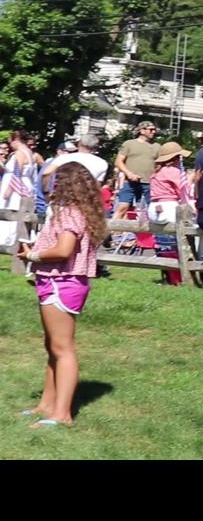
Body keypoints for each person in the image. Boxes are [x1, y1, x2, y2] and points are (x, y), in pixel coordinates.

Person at [16, 165, 106, 428]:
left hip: (61, 282)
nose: (49, 189)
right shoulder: (77, 211)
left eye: (53, 183)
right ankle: (47, 404)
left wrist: (33, 255)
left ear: (65, 185)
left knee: (62, 349)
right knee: (52, 346)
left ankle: (62, 414)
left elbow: (64, 249)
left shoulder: (68, 213)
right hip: (59, 281)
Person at [147, 141, 188, 269]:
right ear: (175, 158)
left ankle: (167, 266)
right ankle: (182, 267)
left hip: (154, 208)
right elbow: (182, 190)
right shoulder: (172, 171)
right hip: (168, 206)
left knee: (163, 241)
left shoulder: (157, 171)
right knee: (182, 236)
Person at [1, 131, 45, 248]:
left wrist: (9, 190)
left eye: (11, 141)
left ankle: (9, 239)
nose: (10, 145)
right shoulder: (29, 152)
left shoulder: (20, 153)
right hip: (25, 183)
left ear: (16, 140)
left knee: (11, 211)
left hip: (16, 186)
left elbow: (17, 171)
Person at [114, 120, 161, 219]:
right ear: (142, 130)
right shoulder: (129, 144)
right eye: (151, 130)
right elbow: (118, 161)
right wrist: (129, 174)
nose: (153, 132)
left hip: (150, 183)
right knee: (122, 207)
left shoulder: (157, 146)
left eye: (154, 130)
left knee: (152, 210)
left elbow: (160, 164)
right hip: (130, 182)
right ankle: (112, 227)